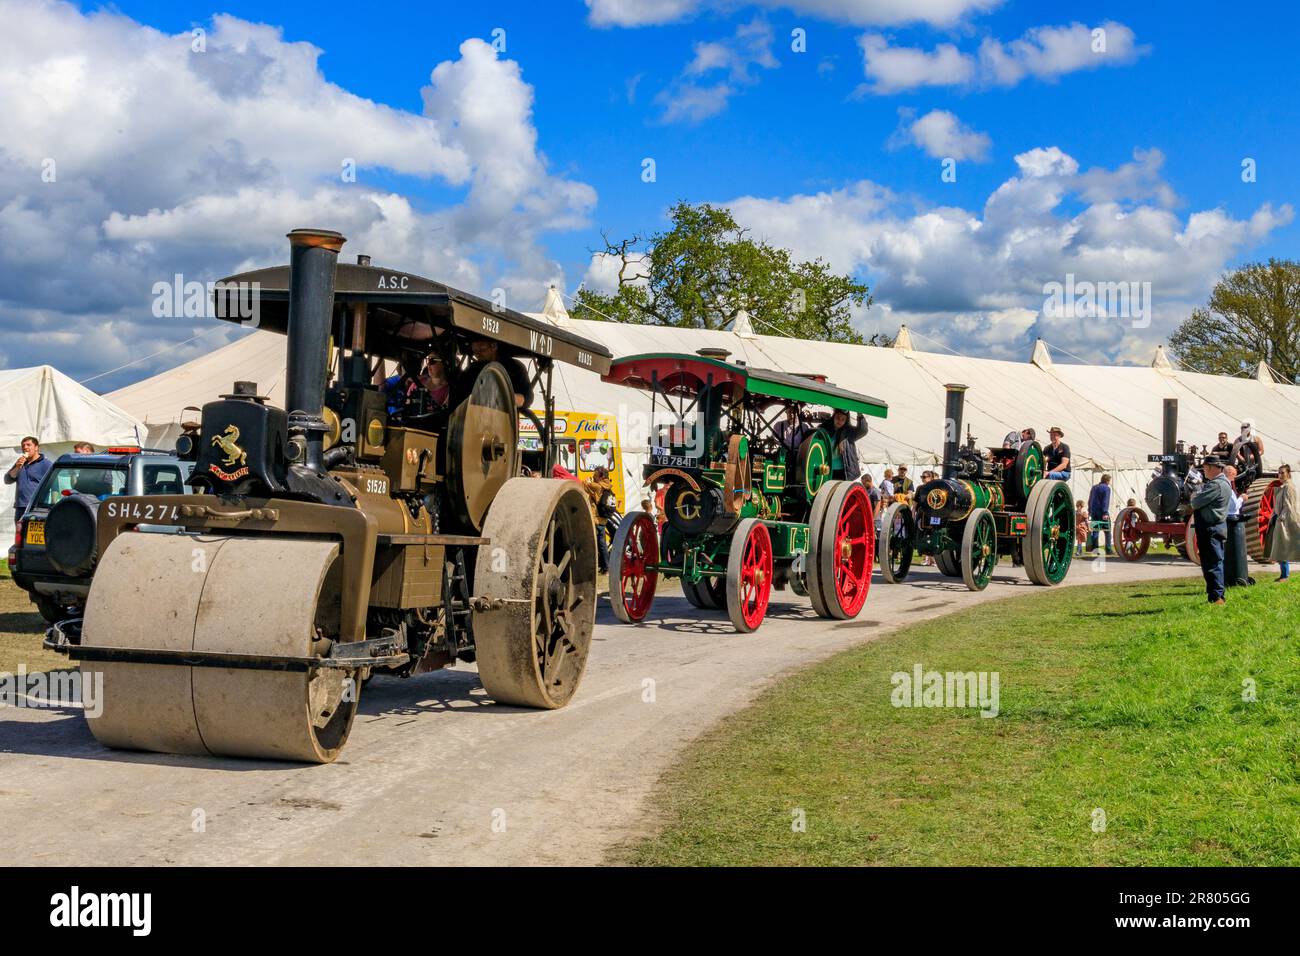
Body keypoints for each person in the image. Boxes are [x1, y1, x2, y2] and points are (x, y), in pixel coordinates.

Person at [1190, 456, 1233, 605]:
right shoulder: (1223, 483)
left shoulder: (1216, 485)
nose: (1204, 471)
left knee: (1212, 563)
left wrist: (1195, 494)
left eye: (1205, 468)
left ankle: (1217, 597)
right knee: (1213, 562)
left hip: (1211, 528)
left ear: (1211, 467)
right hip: (1214, 527)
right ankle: (1215, 595)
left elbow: (1195, 502)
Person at [457, 337, 534, 408]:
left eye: (482, 350)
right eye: (475, 351)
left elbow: (528, 397)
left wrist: (508, 398)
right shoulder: (472, 369)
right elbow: (460, 393)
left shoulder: (515, 367)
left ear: (494, 346)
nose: (477, 355)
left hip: (504, 418)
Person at [5, 436, 54, 526]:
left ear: (36, 447)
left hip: (36, 507)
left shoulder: (46, 464)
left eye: (28, 445)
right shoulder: (20, 463)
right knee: (20, 537)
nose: (25, 447)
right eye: (23, 445)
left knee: (34, 537)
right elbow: (7, 480)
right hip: (20, 507)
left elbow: (55, 486)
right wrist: (17, 467)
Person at [1266, 464, 1298, 581]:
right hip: (1279, 519)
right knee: (1279, 547)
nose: (1280, 475)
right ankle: (1283, 574)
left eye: (1282, 473)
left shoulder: (1289, 487)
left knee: (1283, 548)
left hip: (1285, 521)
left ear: (1288, 474)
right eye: (1279, 473)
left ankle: (1285, 575)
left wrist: (1281, 519)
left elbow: (1289, 506)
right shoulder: (1283, 486)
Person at [584, 465, 617, 573]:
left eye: (595, 475)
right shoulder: (608, 486)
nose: (593, 477)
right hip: (603, 519)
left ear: (601, 477)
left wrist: (587, 481)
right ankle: (606, 567)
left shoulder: (597, 487)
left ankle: (595, 567)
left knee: (591, 543)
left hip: (596, 519)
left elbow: (584, 485)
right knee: (602, 544)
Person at [830, 409, 869, 481]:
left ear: (846, 421)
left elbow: (863, 430)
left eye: (843, 419)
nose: (840, 421)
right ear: (833, 417)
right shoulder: (827, 431)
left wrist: (860, 415)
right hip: (828, 469)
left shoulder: (849, 433)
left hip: (843, 471)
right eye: (838, 418)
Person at [1087, 474, 1113, 554]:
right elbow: (1105, 501)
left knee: (1095, 531)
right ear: (1107, 481)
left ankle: (1095, 549)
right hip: (1102, 512)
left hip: (1093, 511)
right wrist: (1105, 512)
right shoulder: (1106, 488)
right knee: (1107, 531)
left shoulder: (1094, 487)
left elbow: (1090, 499)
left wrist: (1090, 511)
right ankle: (1108, 549)